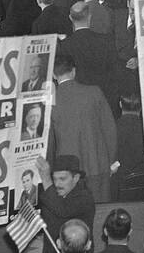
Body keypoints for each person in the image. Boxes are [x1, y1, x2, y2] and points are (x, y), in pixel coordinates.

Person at [48, 50, 117, 204]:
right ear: (74, 71)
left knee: (72, 218)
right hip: (97, 165)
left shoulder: (50, 101)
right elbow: (110, 129)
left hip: (66, 172)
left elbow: (50, 143)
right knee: (99, 214)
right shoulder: (94, 92)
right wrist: (111, 162)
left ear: (53, 75)